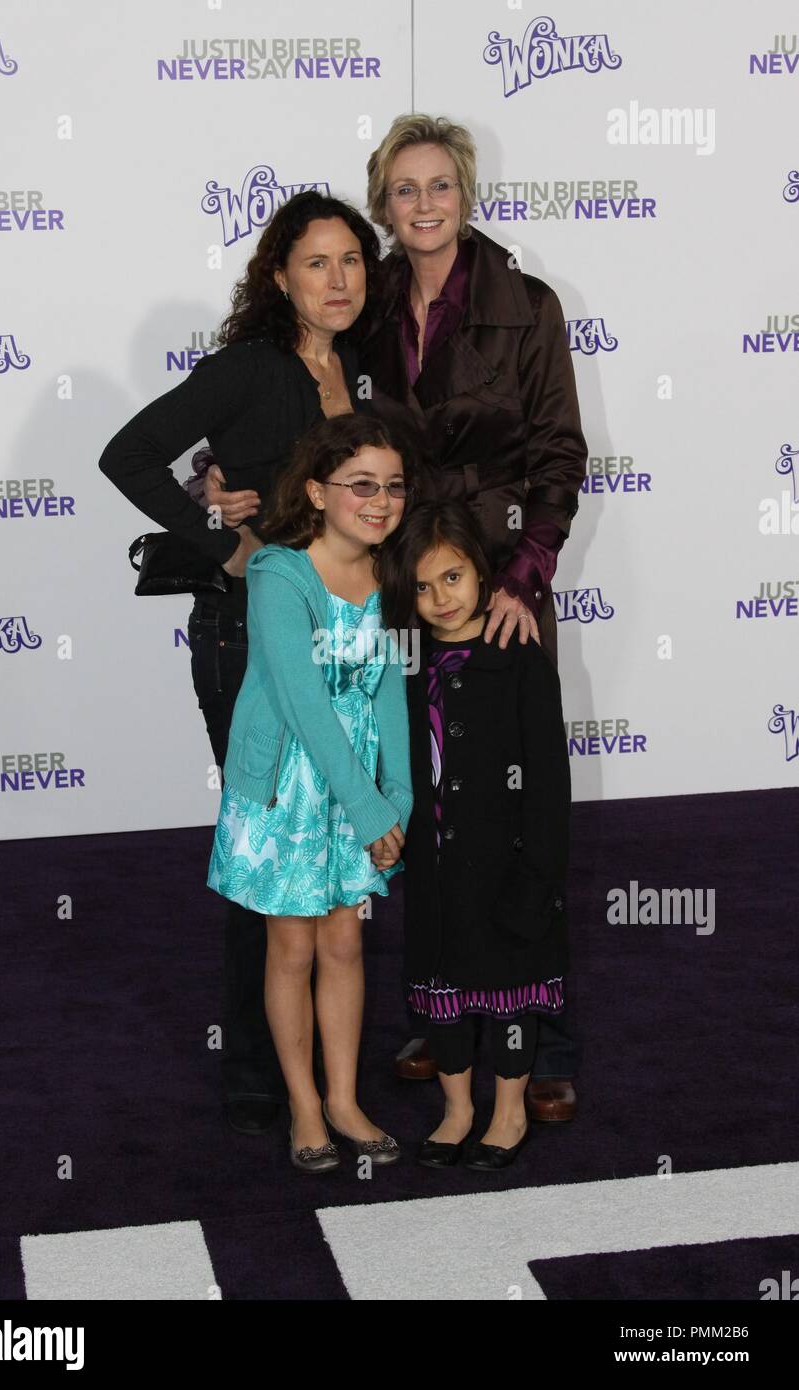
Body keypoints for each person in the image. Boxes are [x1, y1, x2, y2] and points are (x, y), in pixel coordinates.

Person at [98, 192, 384, 1137]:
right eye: (317, 263)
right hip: (248, 644)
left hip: (352, 648)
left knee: (339, 849)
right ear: (278, 276)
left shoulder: (372, 367)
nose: (338, 280)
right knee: (264, 849)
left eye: (352, 261)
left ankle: (332, 1073)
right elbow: (128, 453)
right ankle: (264, 1076)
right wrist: (223, 539)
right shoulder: (249, 370)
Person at [359, 113, 586, 1112]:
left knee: (520, 809)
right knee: (428, 803)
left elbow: (556, 453)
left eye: (437, 186)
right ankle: (439, 1010)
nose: (422, 205)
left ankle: (546, 1036)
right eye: (403, 190)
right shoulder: (362, 310)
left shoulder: (524, 305)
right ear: (383, 204)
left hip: (498, 585)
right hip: (405, 585)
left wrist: (523, 574)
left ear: (466, 193)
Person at [208, 413, 416, 1172]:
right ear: (317, 491)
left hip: (357, 785)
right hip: (288, 787)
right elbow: (300, 699)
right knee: (292, 945)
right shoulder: (278, 574)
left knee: (345, 940)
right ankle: (302, 1103)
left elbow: (389, 690)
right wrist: (366, 806)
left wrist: (395, 797)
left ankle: (343, 1098)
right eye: (362, 484)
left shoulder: (392, 570)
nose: (381, 500)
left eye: (393, 486)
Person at [377, 500, 571, 1169]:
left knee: (510, 987)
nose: (440, 599)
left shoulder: (517, 657)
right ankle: (458, 1108)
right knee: (446, 993)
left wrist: (538, 875)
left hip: (509, 863)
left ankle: (510, 1109)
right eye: (424, 588)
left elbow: (548, 781)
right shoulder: (408, 664)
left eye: (453, 578)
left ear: (484, 574)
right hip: (437, 866)